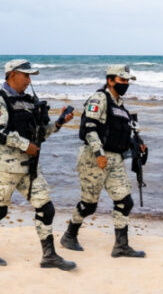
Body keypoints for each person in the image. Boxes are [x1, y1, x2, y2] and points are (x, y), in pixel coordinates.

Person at [0, 59, 76, 270]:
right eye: (26, 75)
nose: (29, 80)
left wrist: (59, 123)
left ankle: (49, 256)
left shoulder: (30, 102)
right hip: (5, 167)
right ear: (13, 75)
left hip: (29, 168)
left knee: (46, 208)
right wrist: (25, 145)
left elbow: (40, 135)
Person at [62, 64, 147, 258]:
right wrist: (99, 154)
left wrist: (138, 143)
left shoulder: (120, 106)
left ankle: (121, 246)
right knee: (89, 204)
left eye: (127, 81)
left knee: (125, 201)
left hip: (115, 159)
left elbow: (121, 133)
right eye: (122, 80)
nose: (125, 84)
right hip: (94, 158)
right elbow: (89, 128)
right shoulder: (98, 99)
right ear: (110, 80)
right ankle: (69, 236)